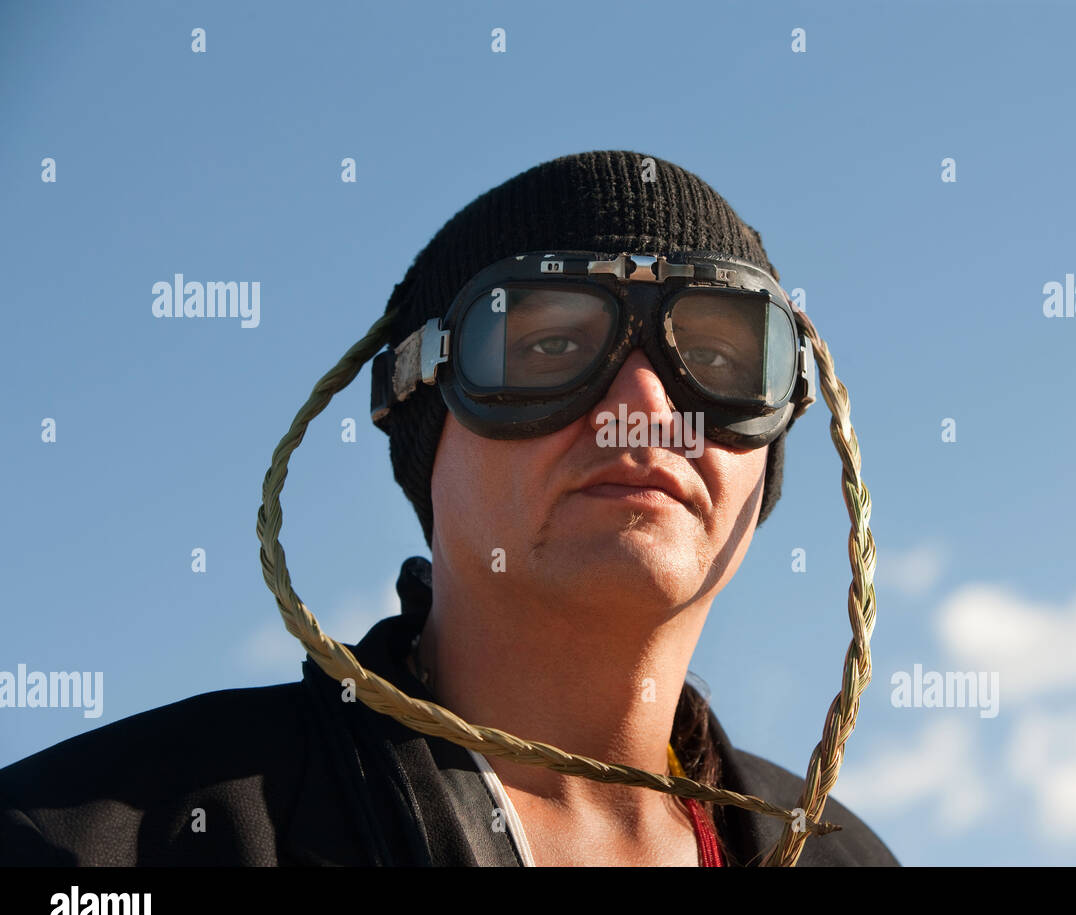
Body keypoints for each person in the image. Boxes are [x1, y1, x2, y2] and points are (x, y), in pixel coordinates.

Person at [0, 150, 898, 867]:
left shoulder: (845, 856)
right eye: (551, 345)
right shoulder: (95, 841)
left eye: (715, 360)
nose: (647, 408)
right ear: (419, 403)